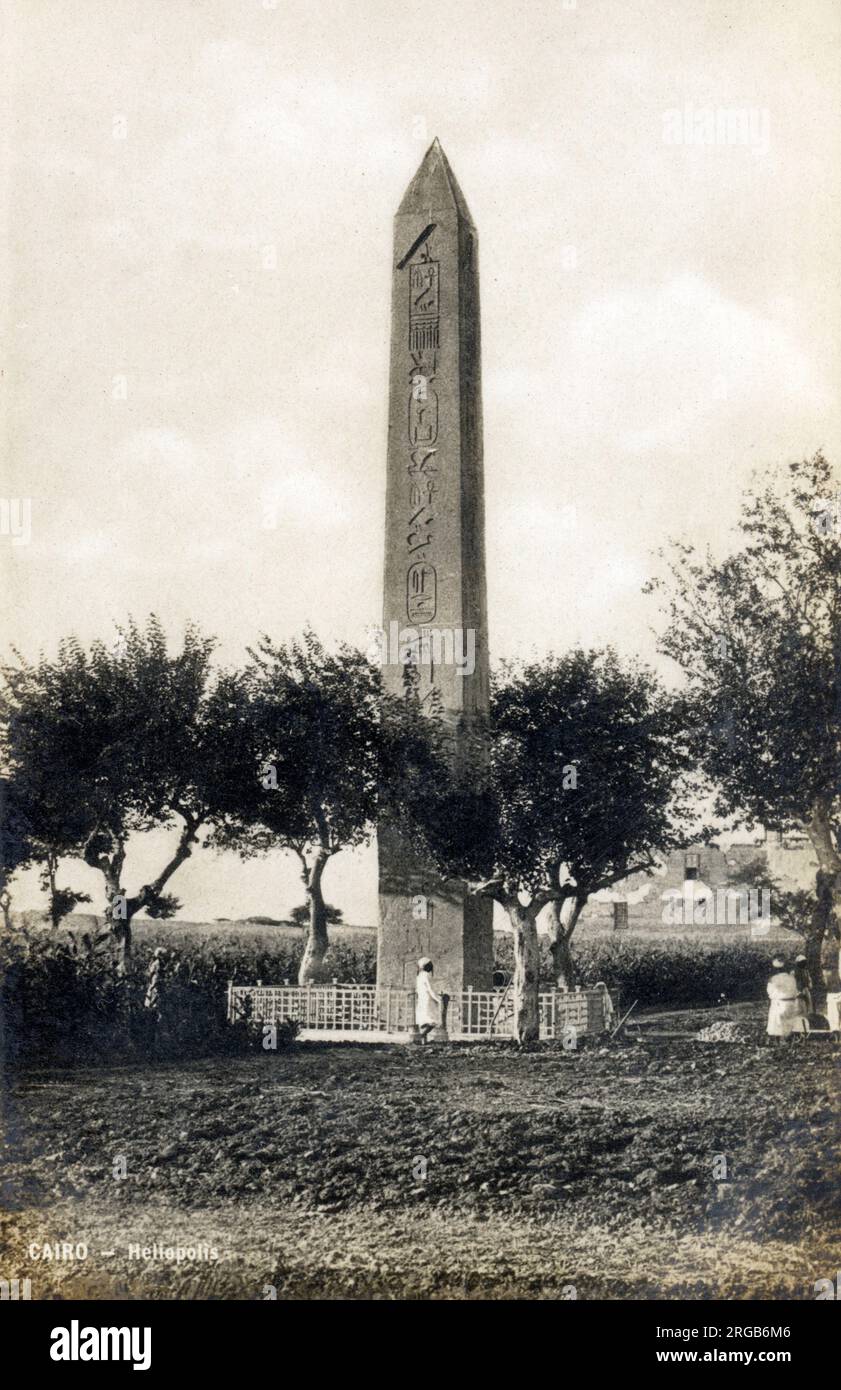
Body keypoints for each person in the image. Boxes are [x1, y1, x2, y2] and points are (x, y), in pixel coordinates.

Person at [766, 957, 808, 1042]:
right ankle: (789, 1038)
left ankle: (778, 1040)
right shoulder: (791, 978)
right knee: (790, 1022)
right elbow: (795, 990)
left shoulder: (774, 979)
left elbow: (770, 992)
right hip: (792, 1004)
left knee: (775, 1018)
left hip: (780, 1004)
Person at [415, 957, 441, 1043]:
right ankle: (422, 1035)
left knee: (424, 1021)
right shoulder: (426, 975)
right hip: (427, 1000)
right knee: (432, 1021)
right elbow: (430, 989)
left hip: (421, 1000)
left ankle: (424, 1041)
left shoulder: (419, 976)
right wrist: (438, 999)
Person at [793, 953, 813, 1017]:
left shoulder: (806, 971)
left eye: (804, 962)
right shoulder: (794, 972)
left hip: (805, 989)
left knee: (809, 1005)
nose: (803, 964)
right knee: (799, 1007)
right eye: (802, 962)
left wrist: (809, 986)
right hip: (798, 991)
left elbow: (809, 981)